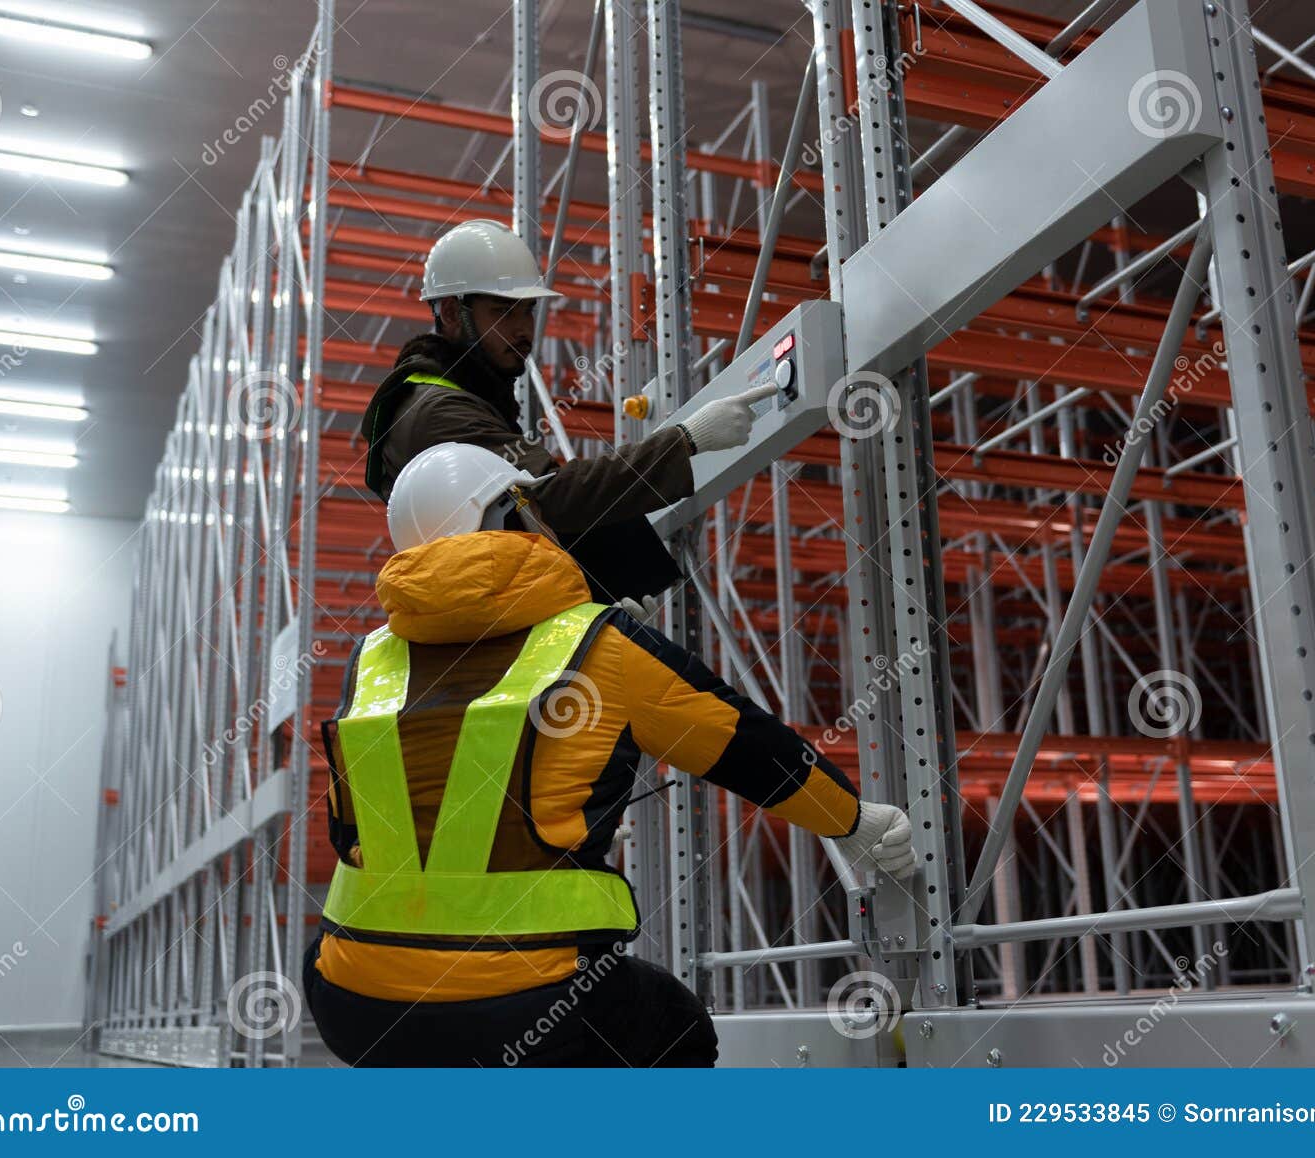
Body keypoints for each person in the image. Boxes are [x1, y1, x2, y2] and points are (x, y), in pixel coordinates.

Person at [304, 442, 916, 1068]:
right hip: (533, 1006)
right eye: (529, 505)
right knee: (677, 1028)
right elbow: (742, 744)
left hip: (352, 1003)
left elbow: (349, 825)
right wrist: (853, 821)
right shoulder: (600, 644)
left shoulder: (370, 661)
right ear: (510, 518)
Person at [359, 218, 773, 601]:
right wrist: (686, 441)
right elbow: (552, 496)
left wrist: (585, 601)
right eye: (503, 311)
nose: (523, 329)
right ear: (451, 313)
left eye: (528, 311)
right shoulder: (439, 412)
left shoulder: (449, 398)